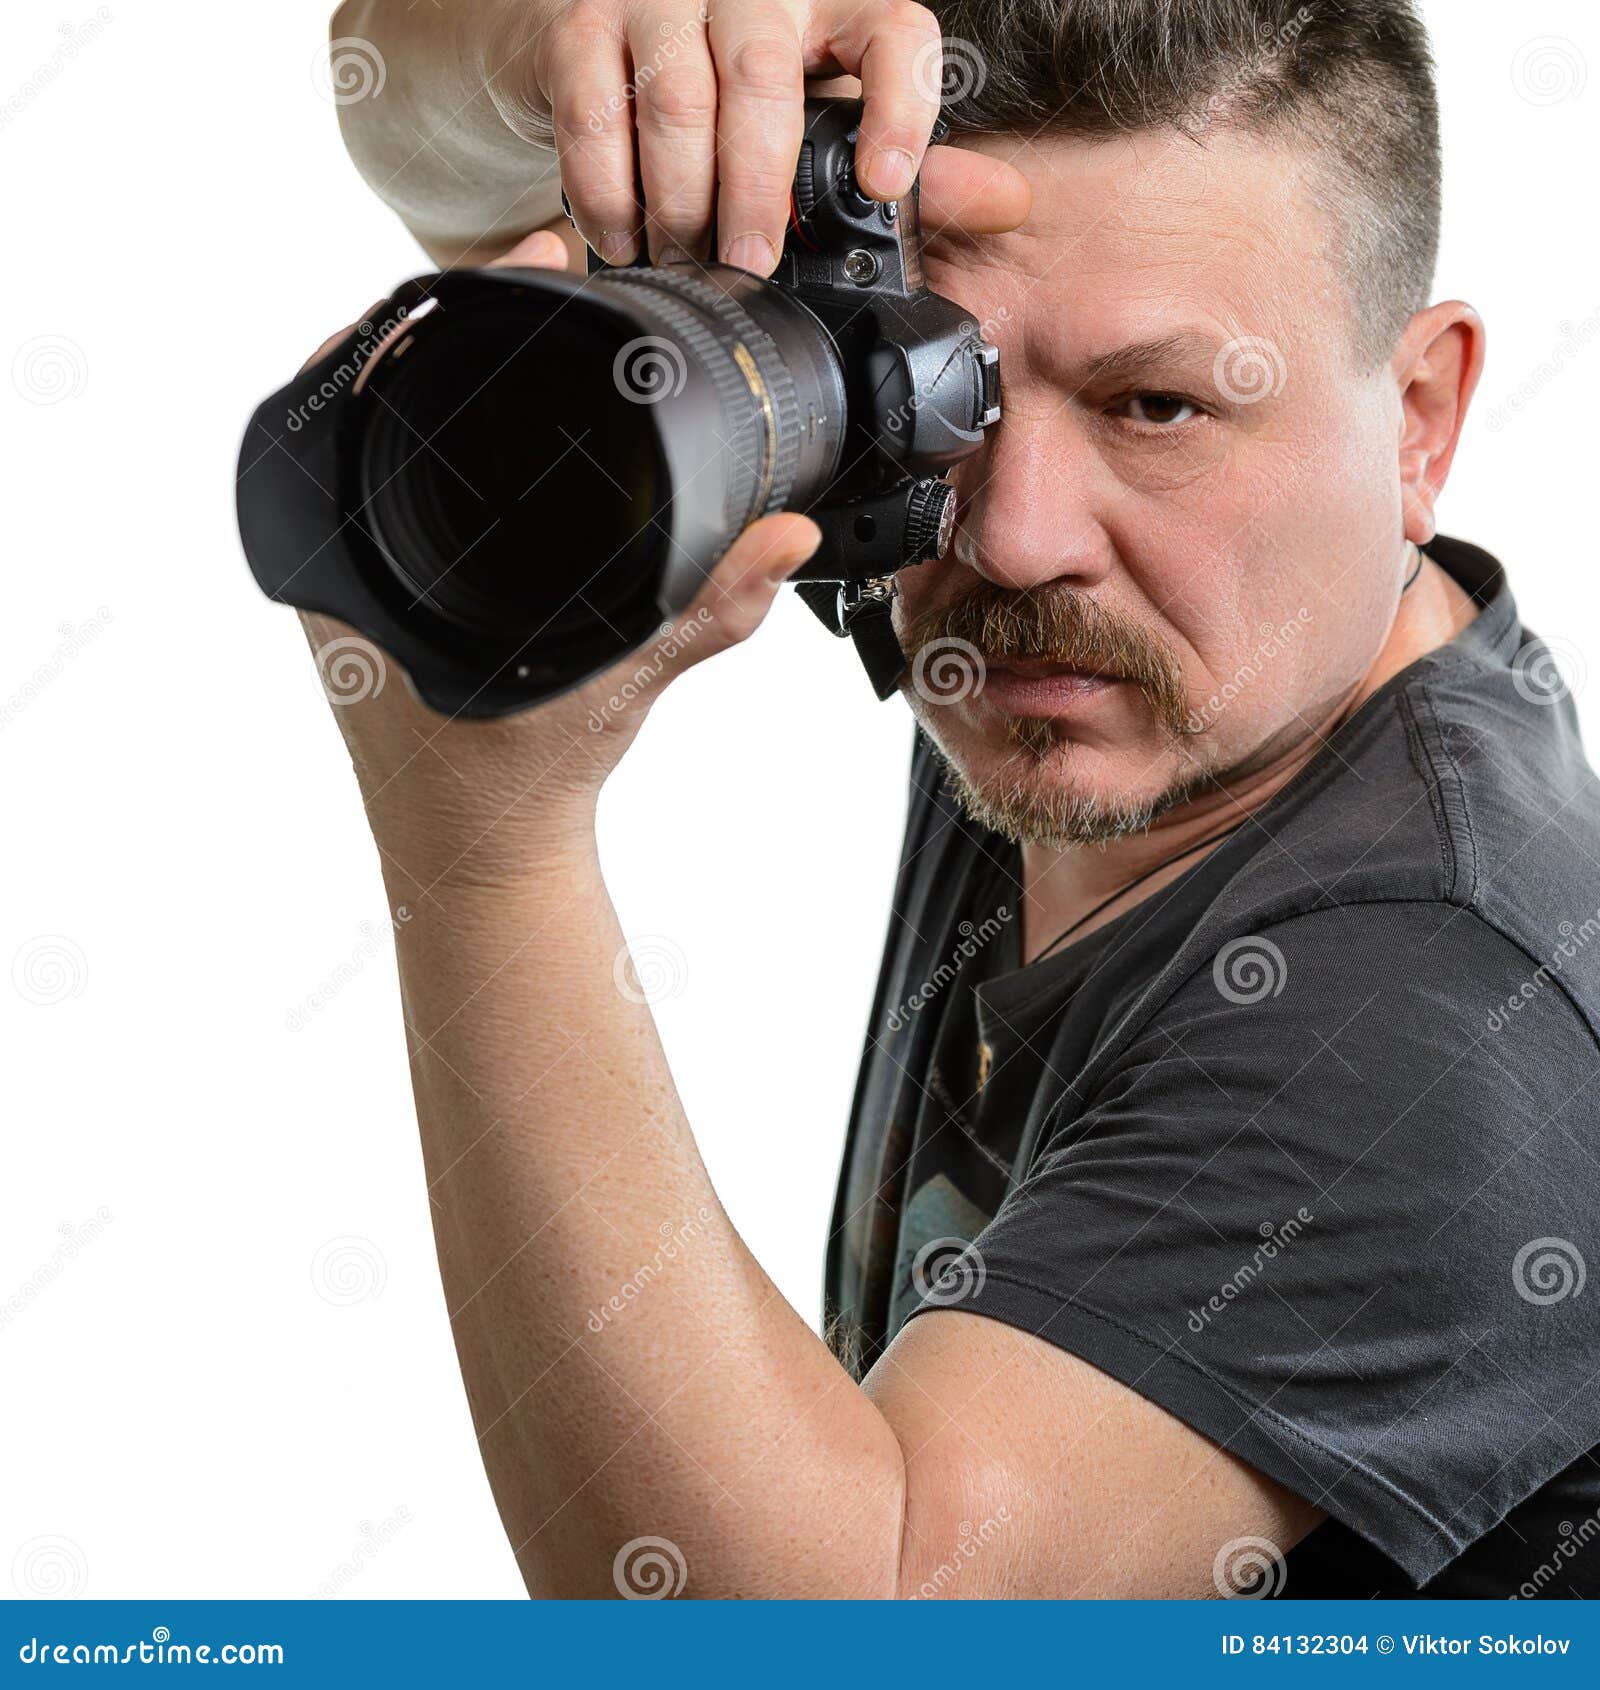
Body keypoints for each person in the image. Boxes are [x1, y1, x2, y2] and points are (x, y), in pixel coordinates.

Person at [304, 0, 1600, 1597]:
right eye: (942, 395)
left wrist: (484, 859)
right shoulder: (1181, 675)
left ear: (1420, 421)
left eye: (1158, 409)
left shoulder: (1436, 1016)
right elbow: (434, 163)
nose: (1010, 536)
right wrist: (578, 50)